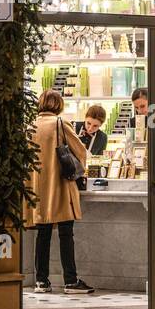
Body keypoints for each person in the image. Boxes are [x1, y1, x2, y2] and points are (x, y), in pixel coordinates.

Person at [26, 89, 94, 294]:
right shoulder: (60, 124)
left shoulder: (29, 125)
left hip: (37, 186)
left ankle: (41, 281)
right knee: (66, 232)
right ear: (58, 105)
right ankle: (71, 280)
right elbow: (80, 150)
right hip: (60, 184)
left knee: (43, 233)